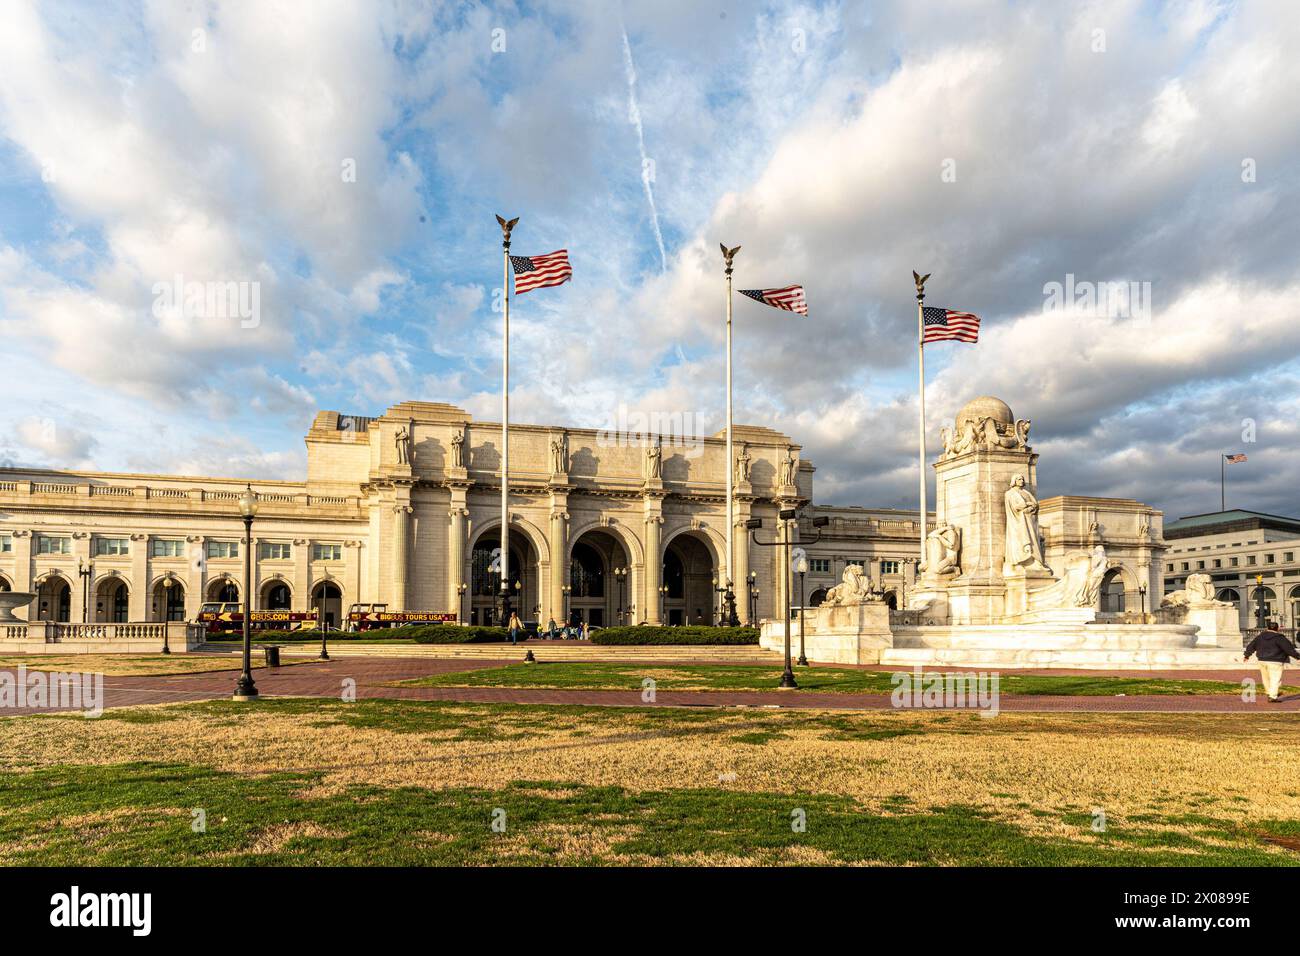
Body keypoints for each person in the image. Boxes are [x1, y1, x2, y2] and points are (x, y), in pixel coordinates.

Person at [1244, 620, 1299, 703]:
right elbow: (1289, 649)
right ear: (1278, 629)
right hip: (1276, 661)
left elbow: (1251, 646)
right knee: (1275, 678)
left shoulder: (1260, 637)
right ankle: (1272, 696)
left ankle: (1270, 692)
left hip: (1262, 660)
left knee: (1266, 678)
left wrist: (1247, 655)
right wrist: (1297, 657)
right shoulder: (1280, 638)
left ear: (1267, 628)